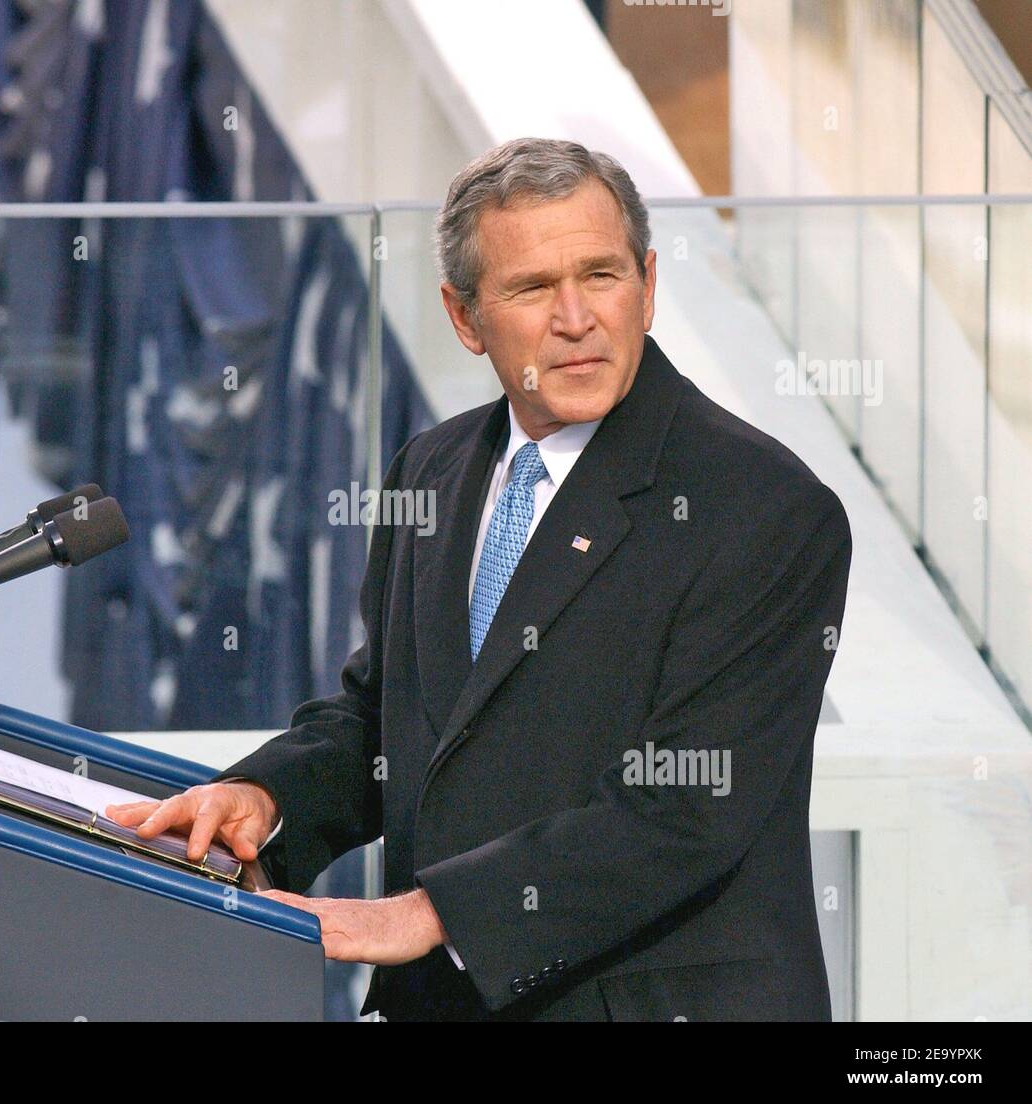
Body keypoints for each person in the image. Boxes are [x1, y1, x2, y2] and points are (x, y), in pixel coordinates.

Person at [107, 137, 852, 1021]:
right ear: (465, 319)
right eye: (533, 289)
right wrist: (264, 796)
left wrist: (428, 916)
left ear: (648, 286)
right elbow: (383, 716)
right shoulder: (432, 468)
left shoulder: (763, 508)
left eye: (602, 276)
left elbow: (688, 808)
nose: (576, 318)